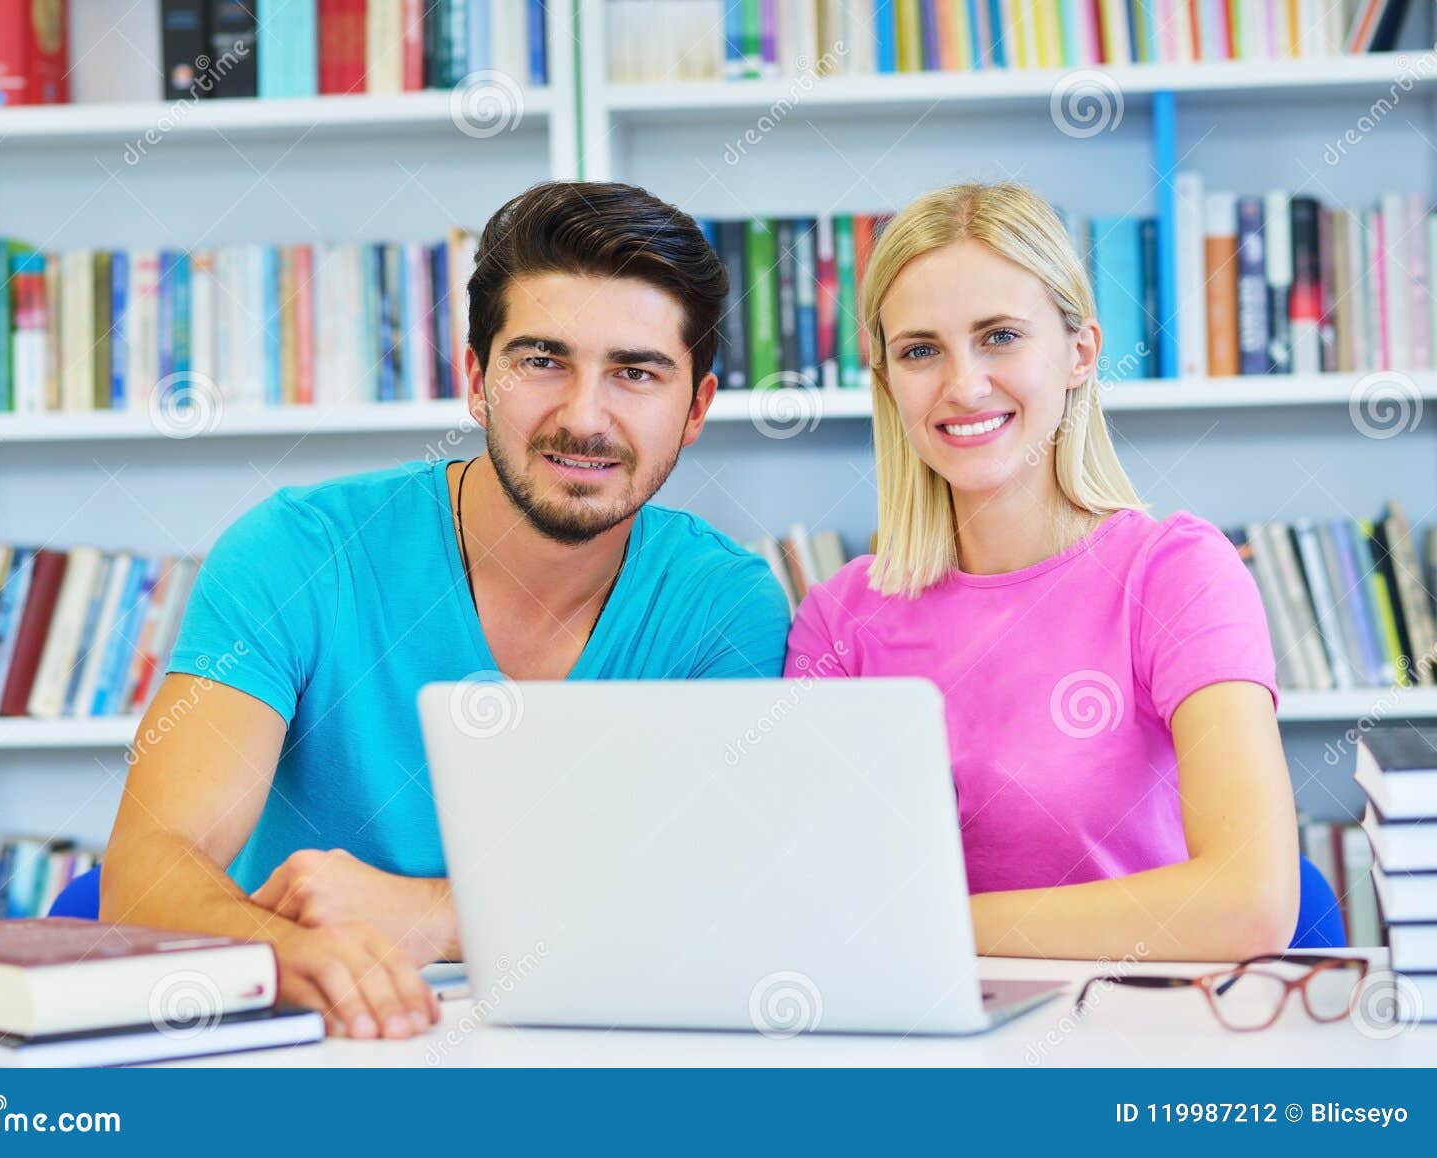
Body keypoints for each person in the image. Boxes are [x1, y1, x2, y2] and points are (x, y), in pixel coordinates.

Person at [100, 181, 791, 1038]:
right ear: (476, 378)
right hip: (321, 1043)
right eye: (542, 360)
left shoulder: (725, 606)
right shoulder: (300, 552)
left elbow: (712, 900)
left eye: (635, 372)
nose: (584, 417)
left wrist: (441, 915)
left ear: (696, 409)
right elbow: (145, 873)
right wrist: (295, 956)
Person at [785, 181, 1298, 962]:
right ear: (887, 381)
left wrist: (932, 932)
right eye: (920, 350)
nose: (964, 385)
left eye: (999, 336)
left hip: (1141, 1040)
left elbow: (1251, 902)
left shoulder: (1176, 574)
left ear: (1080, 353)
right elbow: (813, 897)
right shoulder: (840, 618)